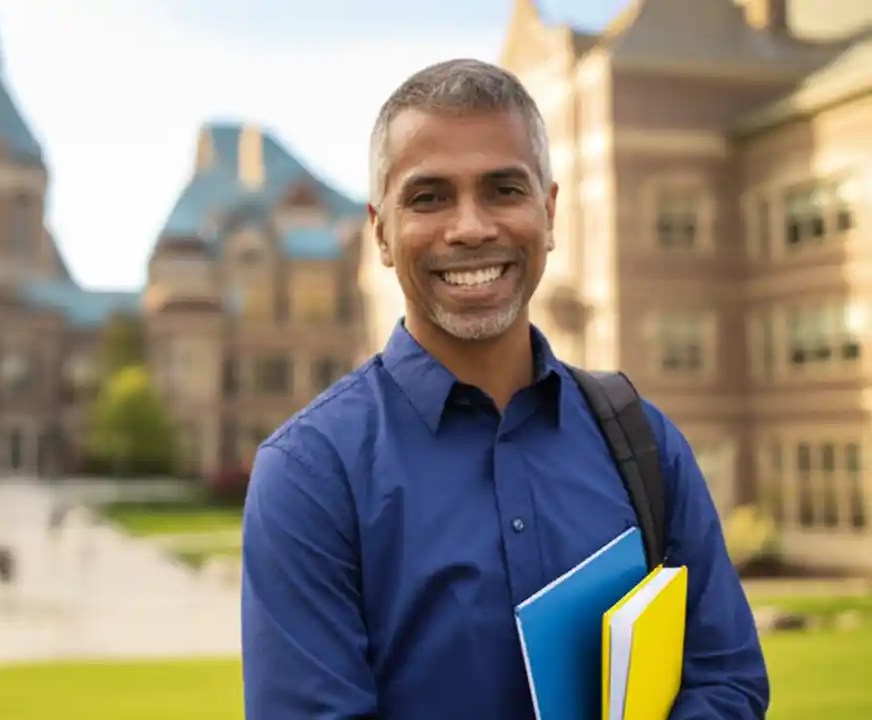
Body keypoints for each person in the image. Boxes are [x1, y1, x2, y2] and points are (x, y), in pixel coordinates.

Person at [240, 59, 768, 719]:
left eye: (503, 190)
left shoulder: (644, 440)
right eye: (429, 196)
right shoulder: (310, 473)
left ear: (548, 213)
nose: (471, 227)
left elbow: (728, 681)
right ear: (379, 231)